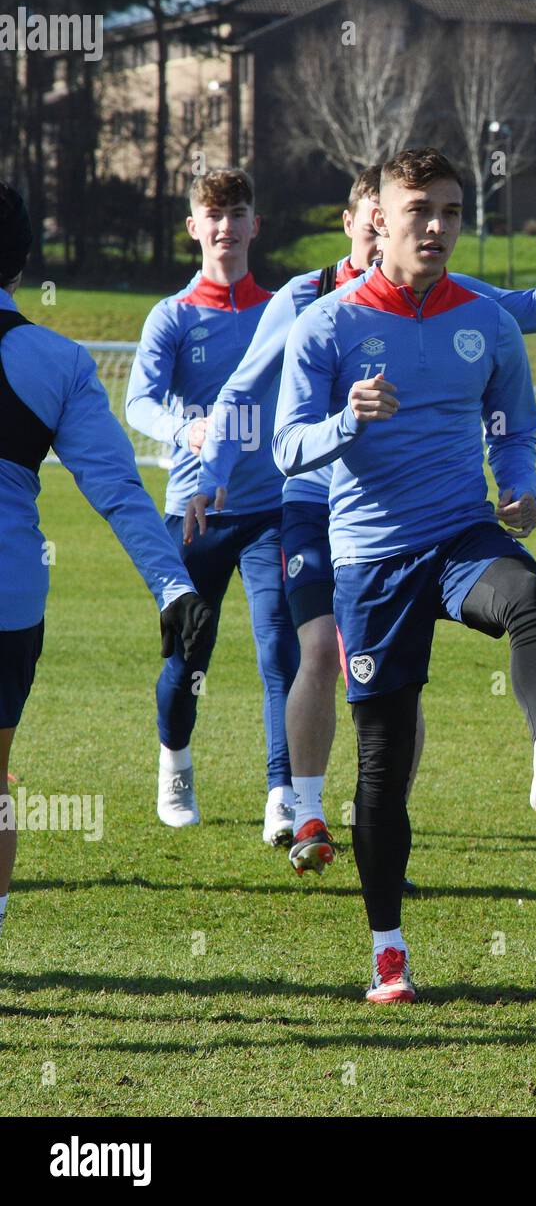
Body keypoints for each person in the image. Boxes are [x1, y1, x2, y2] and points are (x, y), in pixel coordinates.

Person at [187, 165, 536, 877]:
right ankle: (303, 806)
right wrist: (213, 472)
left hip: (438, 523)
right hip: (319, 509)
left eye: (447, 214)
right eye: (394, 215)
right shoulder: (310, 301)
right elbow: (246, 389)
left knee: (399, 686)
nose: (421, 228)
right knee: (315, 650)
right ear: (358, 219)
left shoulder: (459, 301)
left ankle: (385, 821)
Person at [273, 149, 536, 1002]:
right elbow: (285, 450)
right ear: (377, 217)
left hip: (459, 536)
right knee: (381, 763)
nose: (436, 226)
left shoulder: (485, 320)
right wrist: (346, 420)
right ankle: (387, 947)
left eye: (452, 211)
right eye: (419, 208)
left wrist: (519, 484)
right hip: (371, 563)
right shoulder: (328, 326)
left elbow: (510, 424)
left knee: (528, 595)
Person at [0, 181, 210, 940]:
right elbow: (120, 491)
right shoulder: (57, 361)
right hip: (10, 600)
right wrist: (172, 585)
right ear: (22, 264)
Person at [124, 168, 300, 845]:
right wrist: (185, 428)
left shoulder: (283, 307)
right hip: (193, 513)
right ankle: (175, 765)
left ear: (256, 225)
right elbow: (139, 401)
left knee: (279, 650)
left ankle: (282, 791)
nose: (225, 227)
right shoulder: (171, 315)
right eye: (212, 215)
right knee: (188, 657)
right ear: (194, 227)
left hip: (271, 511)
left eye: (238, 214)